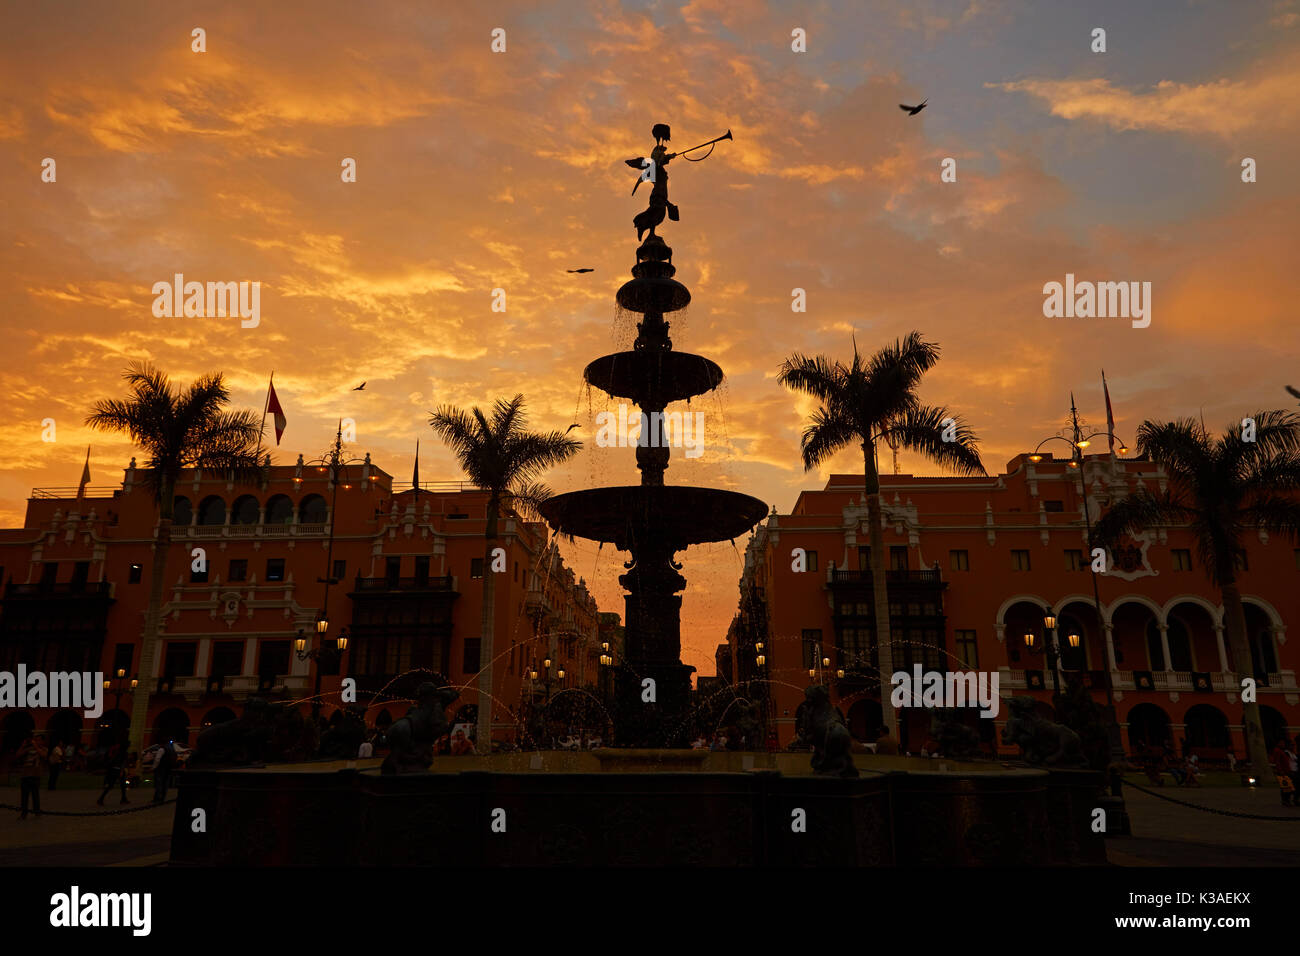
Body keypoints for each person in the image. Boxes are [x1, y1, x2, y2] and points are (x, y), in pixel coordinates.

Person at [15, 732, 46, 820]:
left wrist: (35, 746)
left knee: (35, 794)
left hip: (35, 775)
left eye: (39, 740)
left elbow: (43, 755)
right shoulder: (29, 748)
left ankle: (37, 811)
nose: (36, 741)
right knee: (24, 796)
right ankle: (24, 813)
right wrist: (23, 745)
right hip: (25, 775)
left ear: (43, 741)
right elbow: (17, 755)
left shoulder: (44, 748)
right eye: (35, 740)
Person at [1272, 740, 1293, 806]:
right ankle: (1285, 801)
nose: (1283, 744)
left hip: (1286, 771)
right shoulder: (1277, 751)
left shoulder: (1281, 751)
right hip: (1283, 772)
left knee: (1287, 786)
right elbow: (1277, 761)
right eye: (1282, 743)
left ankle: (1287, 800)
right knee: (1285, 787)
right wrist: (1280, 771)